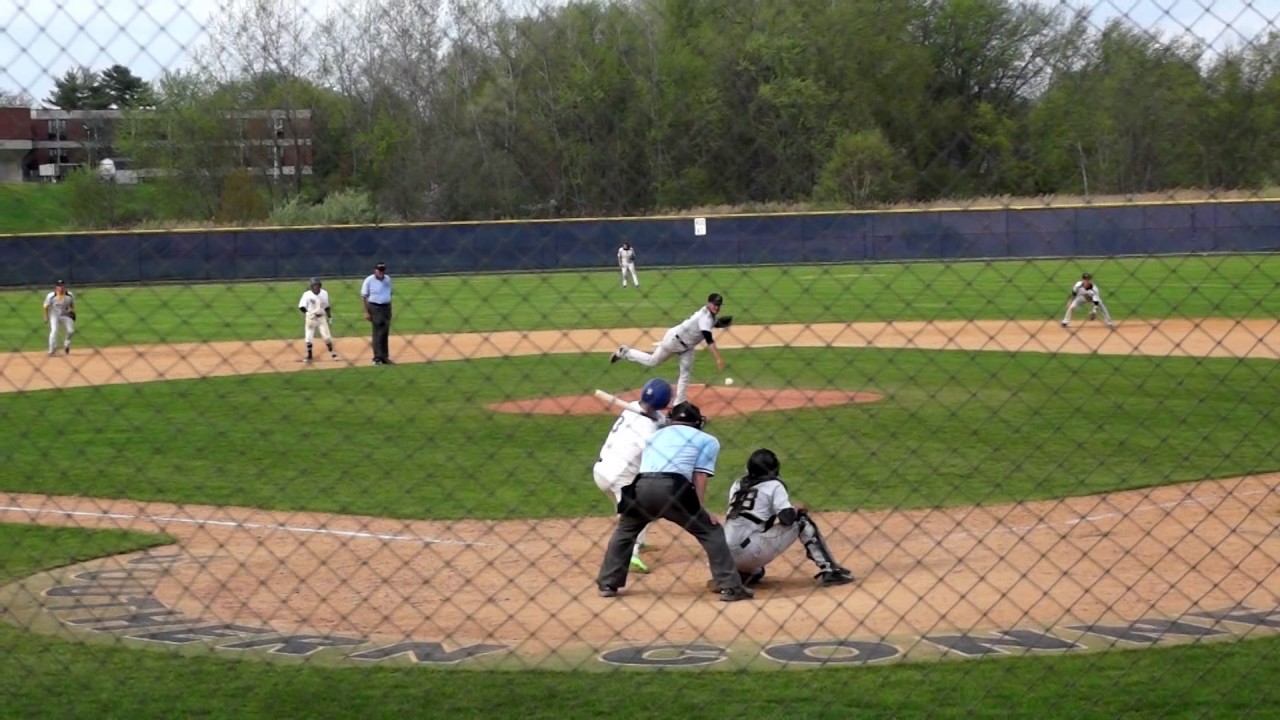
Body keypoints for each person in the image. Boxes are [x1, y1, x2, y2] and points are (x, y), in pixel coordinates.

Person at [596, 401, 753, 602]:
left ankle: (608, 583)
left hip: (641, 486)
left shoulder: (654, 436)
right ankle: (730, 587)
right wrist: (701, 509)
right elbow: (700, 476)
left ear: (672, 420)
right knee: (711, 531)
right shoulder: (707, 440)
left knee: (625, 531)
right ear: (698, 422)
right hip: (673, 488)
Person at [721, 448, 855, 589]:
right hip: (750, 553)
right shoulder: (774, 485)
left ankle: (744, 573)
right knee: (801, 520)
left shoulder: (737, 485)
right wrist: (794, 509)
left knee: (754, 560)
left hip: (723, 557)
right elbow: (788, 519)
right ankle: (830, 570)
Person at [593, 378, 672, 574]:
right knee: (637, 513)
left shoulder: (633, 407)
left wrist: (664, 423)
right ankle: (631, 555)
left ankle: (639, 542)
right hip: (619, 477)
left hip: (602, 472)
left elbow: (660, 420)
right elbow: (654, 452)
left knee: (634, 511)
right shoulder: (646, 427)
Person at [610, 292, 728, 405]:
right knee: (652, 361)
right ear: (708, 303)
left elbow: (704, 325)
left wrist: (716, 323)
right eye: (714, 304)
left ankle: (679, 401)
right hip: (674, 341)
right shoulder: (706, 318)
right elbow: (709, 339)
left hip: (688, 347)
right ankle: (625, 352)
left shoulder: (708, 315)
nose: (716, 307)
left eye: (718, 305)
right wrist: (718, 359)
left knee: (685, 372)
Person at [360, 262, 394, 365]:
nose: (381, 272)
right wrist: (366, 312)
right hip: (375, 307)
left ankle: (385, 357)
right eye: (379, 270)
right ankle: (377, 358)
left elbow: (390, 293)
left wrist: (390, 308)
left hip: (386, 307)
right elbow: (364, 296)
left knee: (385, 332)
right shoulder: (369, 280)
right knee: (378, 332)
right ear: (375, 270)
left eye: (383, 270)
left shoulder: (388, 279)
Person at [298, 277, 338, 362]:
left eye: (317, 285)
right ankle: (309, 356)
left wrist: (330, 317)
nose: (316, 287)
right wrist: (307, 313)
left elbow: (327, 306)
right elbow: (301, 306)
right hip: (311, 318)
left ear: (320, 285)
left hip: (321, 318)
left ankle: (333, 353)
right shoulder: (307, 294)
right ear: (311, 286)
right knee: (308, 338)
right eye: (314, 285)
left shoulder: (324, 293)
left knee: (327, 337)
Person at [42, 279, 76, 356]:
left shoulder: (70, 295)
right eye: (59, 286)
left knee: (71, 331)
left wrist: (72, 310)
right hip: (54, 316)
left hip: (65, 315)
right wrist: (46, 317)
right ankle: (51, 350)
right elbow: (45, 307)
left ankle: (66, 344)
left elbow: (72, 305)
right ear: (56, 287)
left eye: (62, 285)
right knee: (54, 331)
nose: (61, 287)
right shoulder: (51, 296)